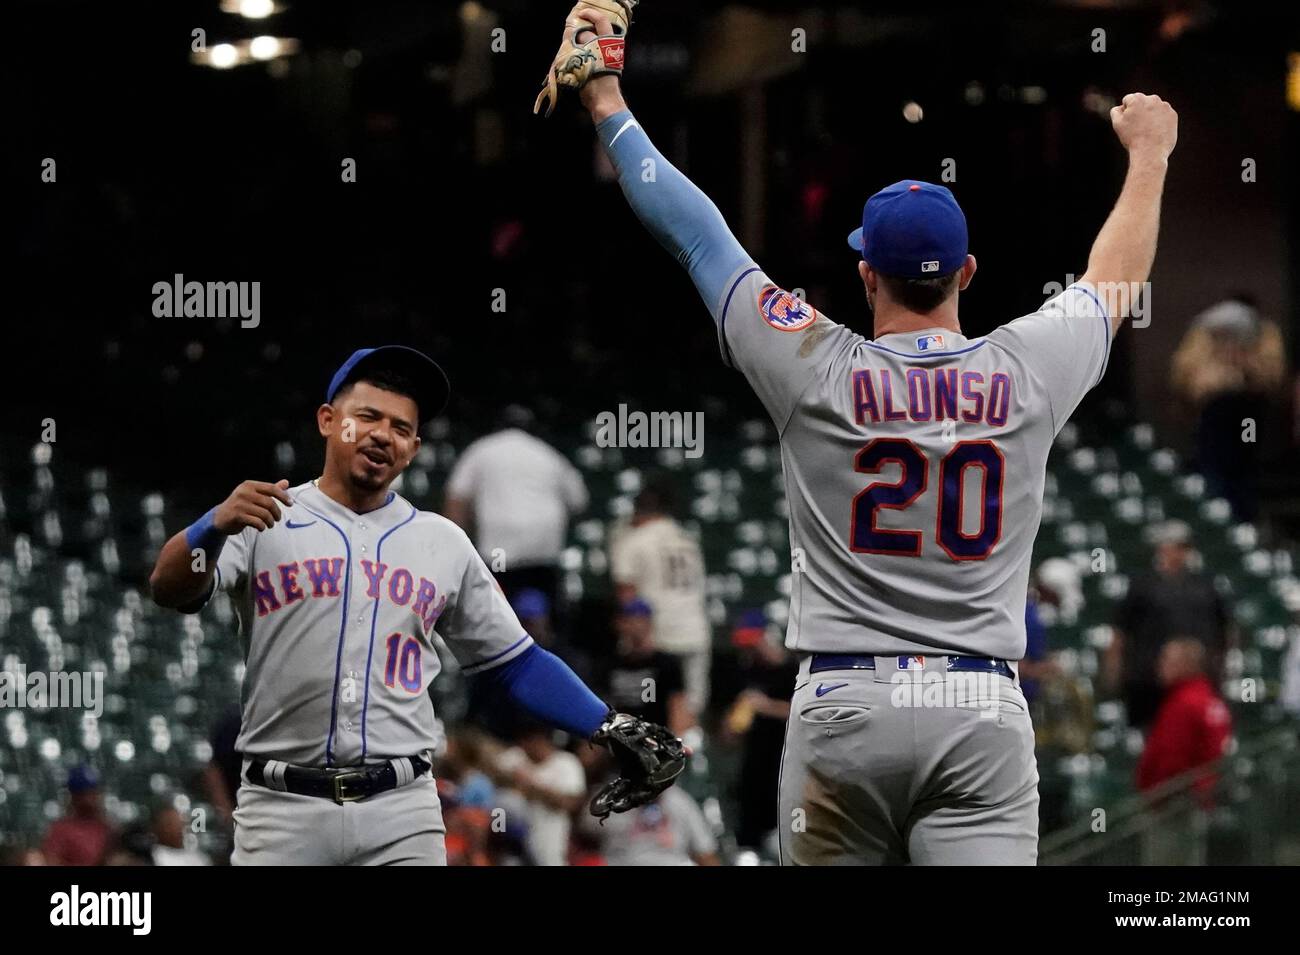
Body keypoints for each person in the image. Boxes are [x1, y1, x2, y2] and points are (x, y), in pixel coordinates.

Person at [556, 5, 1177, 864]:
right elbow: (1115, 277)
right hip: (979, 706)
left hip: (844, 704)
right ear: (966, 272)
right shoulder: (1031, 366)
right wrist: (1149, 155)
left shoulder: (813, 362)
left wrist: (608, 102)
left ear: (862, 271)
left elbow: (698, 236)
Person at [148, 345, 680, 865]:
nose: (384, 434)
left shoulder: (441, 541)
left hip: (400, 810)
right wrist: (209, 525)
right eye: (368, 417)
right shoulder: (266, 517)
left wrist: (606, 725)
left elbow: (516, 663)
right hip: (281, 810)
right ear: (328, 421)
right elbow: (169, 589)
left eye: (401, 428)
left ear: (414, 448)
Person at [443, 404, 589, 611]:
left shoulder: (481, 449)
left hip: (499, 550)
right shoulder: (548, 454)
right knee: (545, 613)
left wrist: (455, 547)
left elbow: (456, 499)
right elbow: (579, 502)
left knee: (496, 611)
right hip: (543, 549)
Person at [1107, 520, 1234, 729]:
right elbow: (1120, 633)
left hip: (1199, 681)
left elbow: (1225, 629)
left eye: (1185, 547)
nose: (1181, 552)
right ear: (1162, 548)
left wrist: (1222, 668)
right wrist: (1114, 674)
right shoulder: (1142, 586)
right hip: (1149, 683)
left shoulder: (1206, 585)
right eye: (1176, 546)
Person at [1170, 296, 1287, 521]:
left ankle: (1244, 518)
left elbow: (1273, 375)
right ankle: (1219, 515)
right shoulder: (1205, 331)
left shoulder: (1265, 332)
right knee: (1214, 463)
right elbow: (1185, 374)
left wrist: (1244, 361)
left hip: (1249, 407)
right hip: (1215, 407)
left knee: (1245, 464)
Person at [610, 475, 712, 714]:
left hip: (658, 636)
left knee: (651, 715)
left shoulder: (632, 540)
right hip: (695, 633)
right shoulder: (687, 540)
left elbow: (627, 596)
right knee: (690, 715)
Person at [721, 609, 796, 855]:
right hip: (753, 768)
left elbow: (802, 714)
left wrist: (765, 706)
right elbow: (728, 734)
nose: (749, 650)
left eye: (753, 643)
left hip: (786, 766)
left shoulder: (792, 669)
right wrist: (732, 724)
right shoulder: (745, 672)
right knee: (748, 844)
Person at [1135, 638, 1233, 802]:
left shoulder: (1184, 703)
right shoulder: (1209, 699)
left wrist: (1154, 796)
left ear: (1187, 665)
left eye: (1167, 659)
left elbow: (1170, 759)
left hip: (1180, 802)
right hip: (1204, 797)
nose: (1160, 665)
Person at [489, 722, 588, 866]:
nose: (526, 744)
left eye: (532, 738)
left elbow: (571, 804)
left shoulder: (566, 763)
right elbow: (490, 772)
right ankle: (497, 843)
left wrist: (533, 785)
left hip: (547, 832)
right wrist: (512, 780)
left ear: (542, 739)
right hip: (513, 837)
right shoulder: (516, 756)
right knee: (504, 801)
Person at [602, 598, 694, 736]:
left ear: (649, 623)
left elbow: (678, 708)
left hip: (655, 738)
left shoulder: (665, 663)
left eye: (639, 620)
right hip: (618, 737)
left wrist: (673, 740)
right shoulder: (611, 664)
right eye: (628, 620)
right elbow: (604, 705)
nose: (635, 625)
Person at [41, 765, 116, 866]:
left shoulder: (107, 828)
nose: (90, 799)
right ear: (74, 796)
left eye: (94, 793)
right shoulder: (61, 830)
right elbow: (51, 862)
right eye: (84, 794)